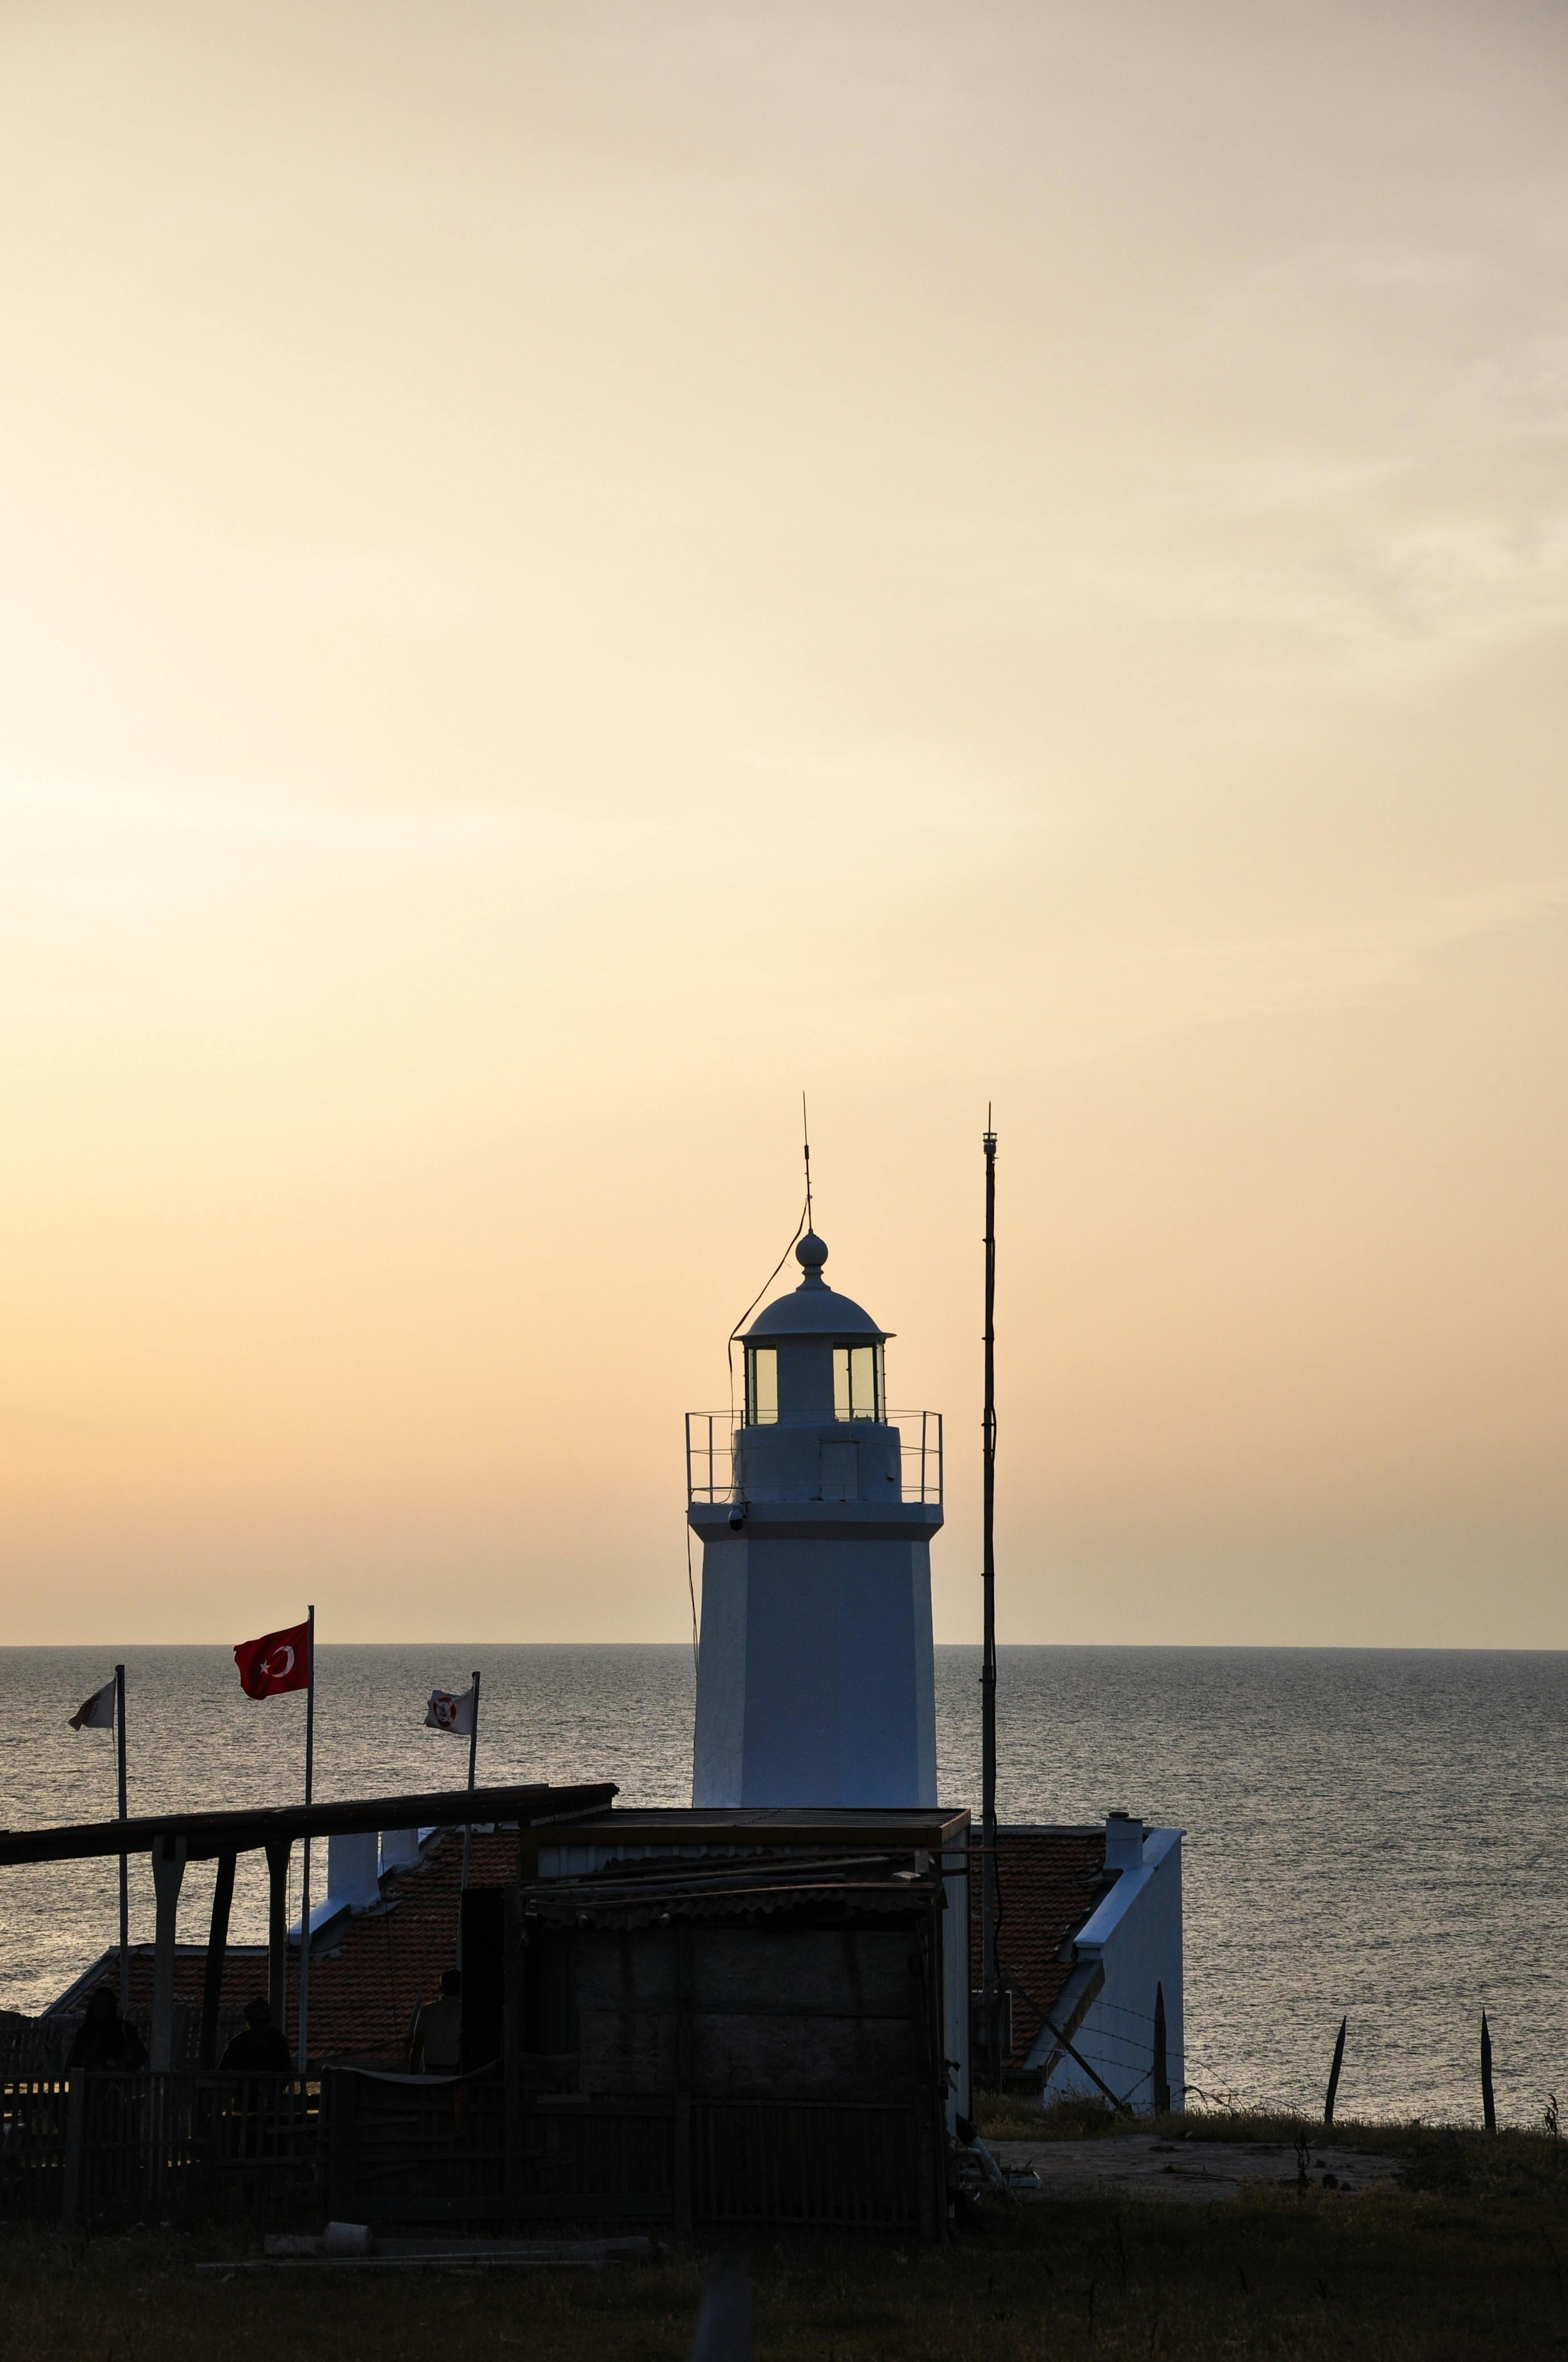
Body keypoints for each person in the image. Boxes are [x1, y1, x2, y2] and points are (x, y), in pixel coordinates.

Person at [66, 1986, 147, 2072]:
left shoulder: (123, 2028)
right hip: (89, 2083)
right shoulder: (85, 2031)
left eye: (105, 2004)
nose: (101, 2008)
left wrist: (123, 2069)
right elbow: (75, 2062)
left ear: (111, 2006)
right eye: (98, 2004)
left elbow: (141, 2055)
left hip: (117, 2083)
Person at [219, 1996, 294, 2076]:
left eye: (263, 2021)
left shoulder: (277, 2039)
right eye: (256, 2021)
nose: (260, 2026)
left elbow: (286, 2068)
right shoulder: (238, 2043)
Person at [409, 1968, 462, 2073]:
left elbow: (417, 2045)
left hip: (430, 2073)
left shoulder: (426, 2010)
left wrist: (411, 2075)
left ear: (440, 1988)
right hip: (455, 2074)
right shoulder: (462, 2011)